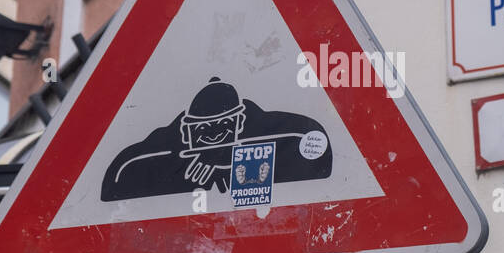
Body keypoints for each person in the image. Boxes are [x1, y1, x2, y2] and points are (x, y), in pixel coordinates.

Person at [102, 75, 332, 201]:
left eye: (223, 125)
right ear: (186, 131)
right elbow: (121, 176)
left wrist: (230, 167)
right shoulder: (160, 151)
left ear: (240, 122)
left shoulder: (277, 132)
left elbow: (313, 145)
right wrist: (179, 178)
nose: (213, 135)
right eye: (203, 129)